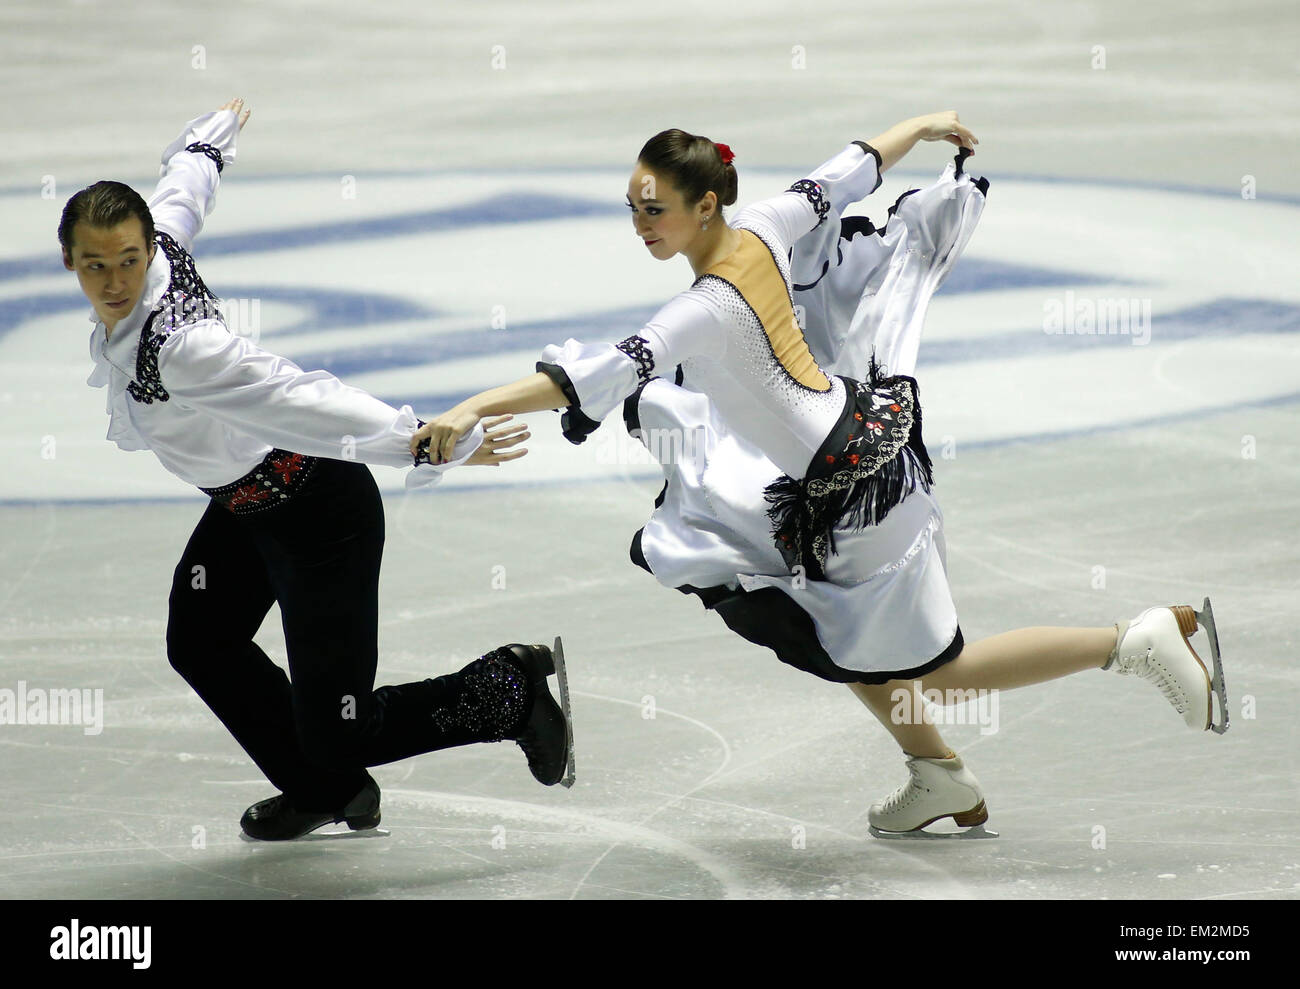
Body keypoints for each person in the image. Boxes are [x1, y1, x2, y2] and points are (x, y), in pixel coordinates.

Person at [412, 111, 1229, 838]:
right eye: (631, 206)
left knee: (938, 669)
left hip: (854, 493)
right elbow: (853, 165)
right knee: (833, 628)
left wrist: (472, 405)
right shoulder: (767, 221)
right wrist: (927, 123)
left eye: (653, 207)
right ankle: (937, 774)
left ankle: (1133, 642)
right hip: (858, 445)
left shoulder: (703, 306)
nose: (640, 224)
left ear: (705, 205)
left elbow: (589, 380)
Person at [62, 98, 575, 841]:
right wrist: (206, 147)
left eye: (129, 261)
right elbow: (181, 194)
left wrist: (421, 439)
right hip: (246, 505)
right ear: (71, 261)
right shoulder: (160, 241)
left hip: (318, 512)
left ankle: (507, 689)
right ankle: (325, 789)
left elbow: (303, 399)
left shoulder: (182, 351)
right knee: (202, 640)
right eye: (95, 265)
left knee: (340, 723)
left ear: (149, 251)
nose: (115, 280)